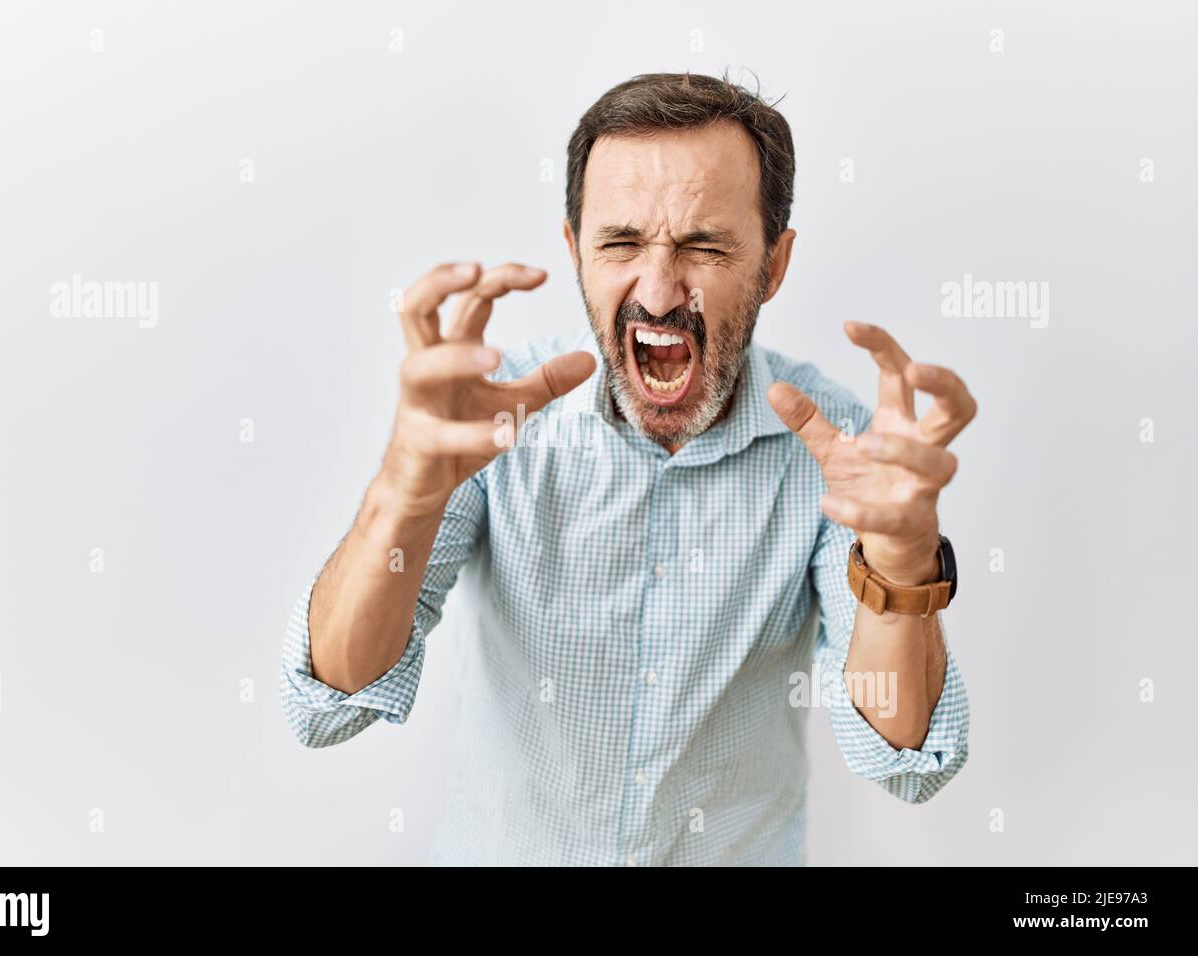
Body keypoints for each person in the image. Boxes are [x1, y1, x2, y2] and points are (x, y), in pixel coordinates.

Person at [281, 72, 977, 865]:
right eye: (620, 243)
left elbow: (905, 759)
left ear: (774, 265)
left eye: (704, 246)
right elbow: (328, 705)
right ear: (575, 250)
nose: (657, 290)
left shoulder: (841, 450)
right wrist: (401, 496)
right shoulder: (488, 422)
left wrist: (903, 567)